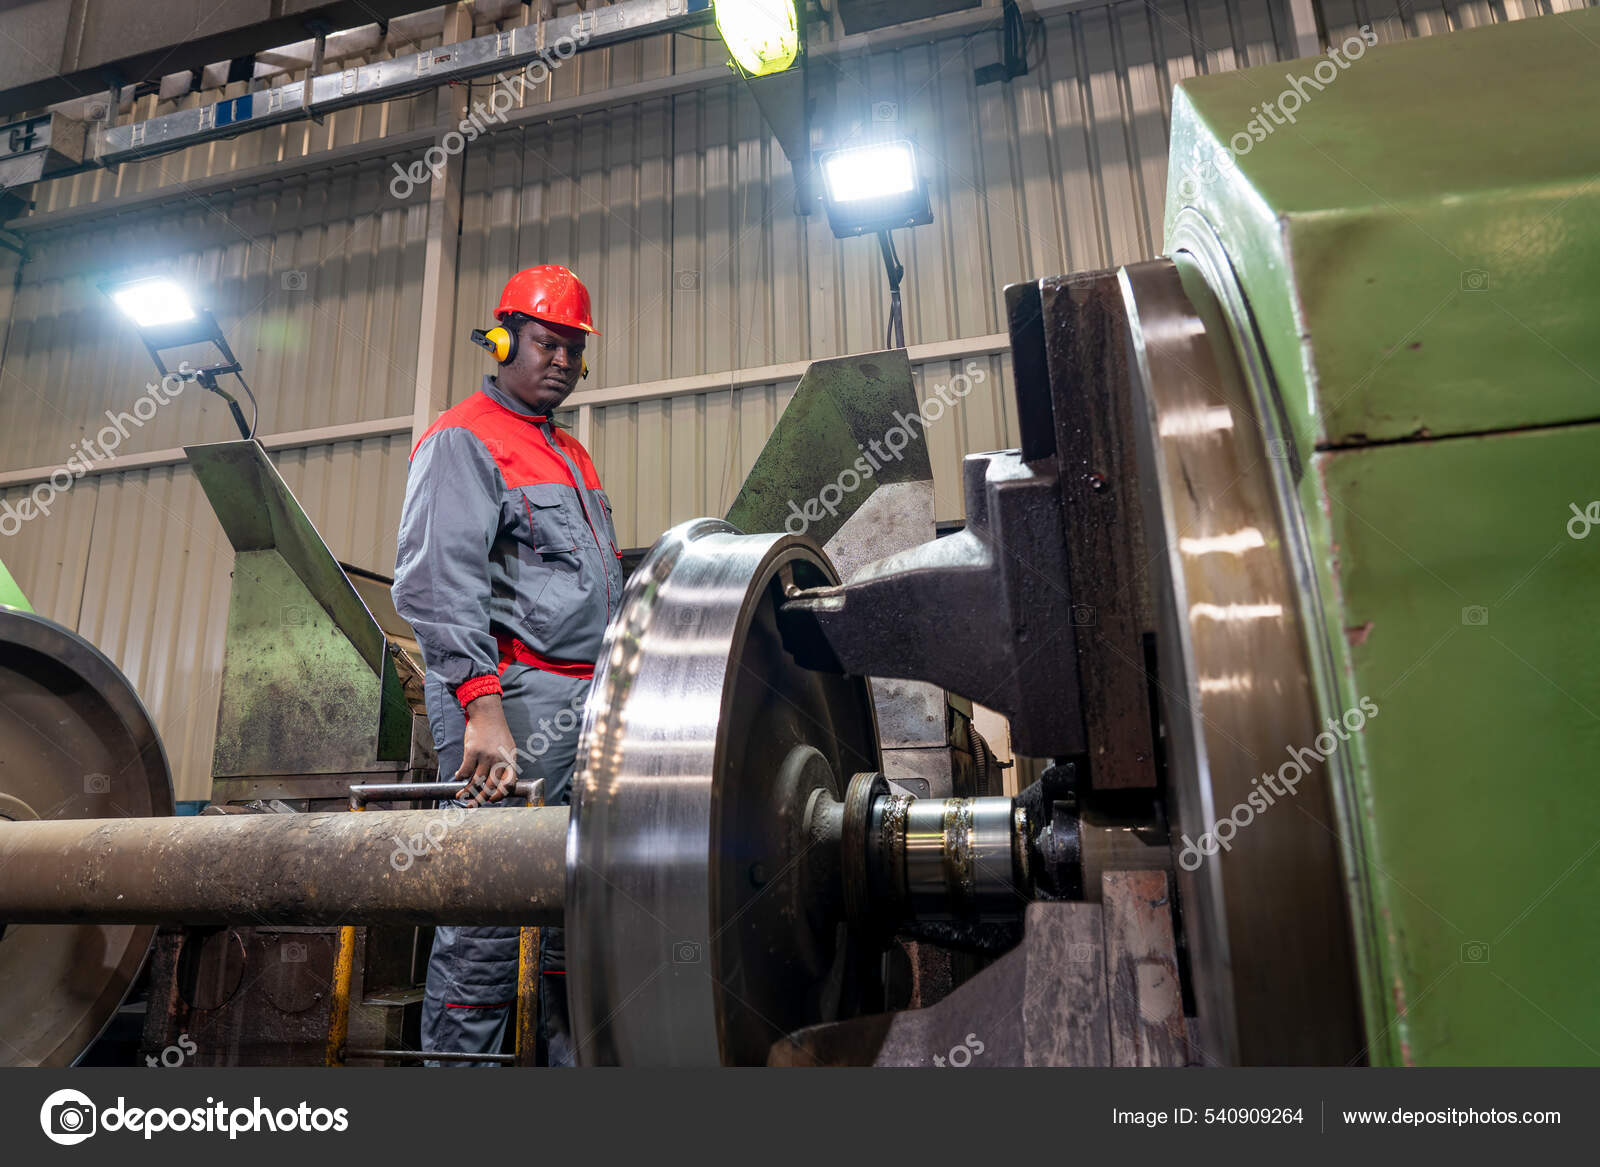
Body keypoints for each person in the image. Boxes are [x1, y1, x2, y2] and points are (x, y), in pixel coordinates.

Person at [393, 264, 622, 1066]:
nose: (561, 360)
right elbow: (436, 581)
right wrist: (482, 708)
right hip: (508, 698)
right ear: (501, 342)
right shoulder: (464, 438)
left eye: (573, 349)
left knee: (569, 909)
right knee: (488, 906)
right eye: (545, 343)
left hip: (580, 701)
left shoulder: (571, 453)